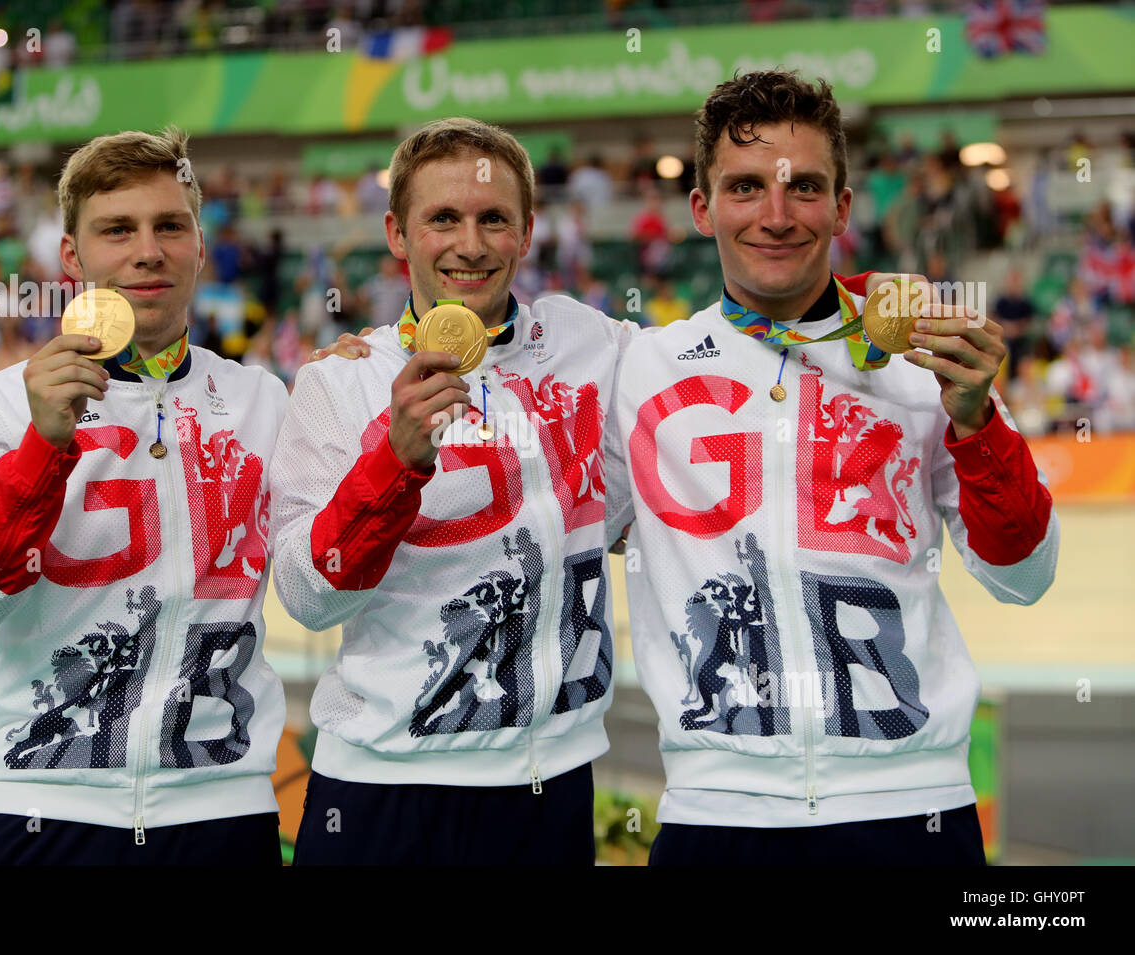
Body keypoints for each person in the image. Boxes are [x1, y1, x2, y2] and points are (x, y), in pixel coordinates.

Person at [274, 114, 887, 865]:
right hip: (381, 791)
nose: (470, 245)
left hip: (551, 789)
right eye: (443, 219)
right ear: (397, 233)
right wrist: (394, 463)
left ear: (528, 232)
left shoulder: (601, 347)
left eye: (494, 218)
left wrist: (874, 301)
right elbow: (307, 596)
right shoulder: (339, 381)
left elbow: (744, 328)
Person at [613, 70, 1058, 865]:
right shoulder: (640, 367)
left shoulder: (929, 354)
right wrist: (372, 357)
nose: (776, 216)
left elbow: (1024, 575)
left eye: (805, 187)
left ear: (843, 207)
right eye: (745, 187)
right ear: (702, 208)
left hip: (911, 810)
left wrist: (978, 423)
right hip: (719, 816)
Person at [0, 127, 291, 866]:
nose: (147, 251)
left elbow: (325, 581)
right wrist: (43, 450)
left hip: (222, 810)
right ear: (72, 255)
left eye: (170, 226)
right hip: (39, 807)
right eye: (116, 230)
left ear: (199, 242)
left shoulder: (265, 400)